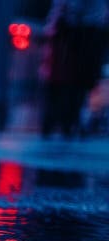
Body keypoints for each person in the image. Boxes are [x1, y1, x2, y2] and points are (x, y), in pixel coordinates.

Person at [41, 0, 109, 138]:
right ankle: (65, 121)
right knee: (72, 80)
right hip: (79, 31)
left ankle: (65, 121)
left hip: (81, 30)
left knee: (73, 81)